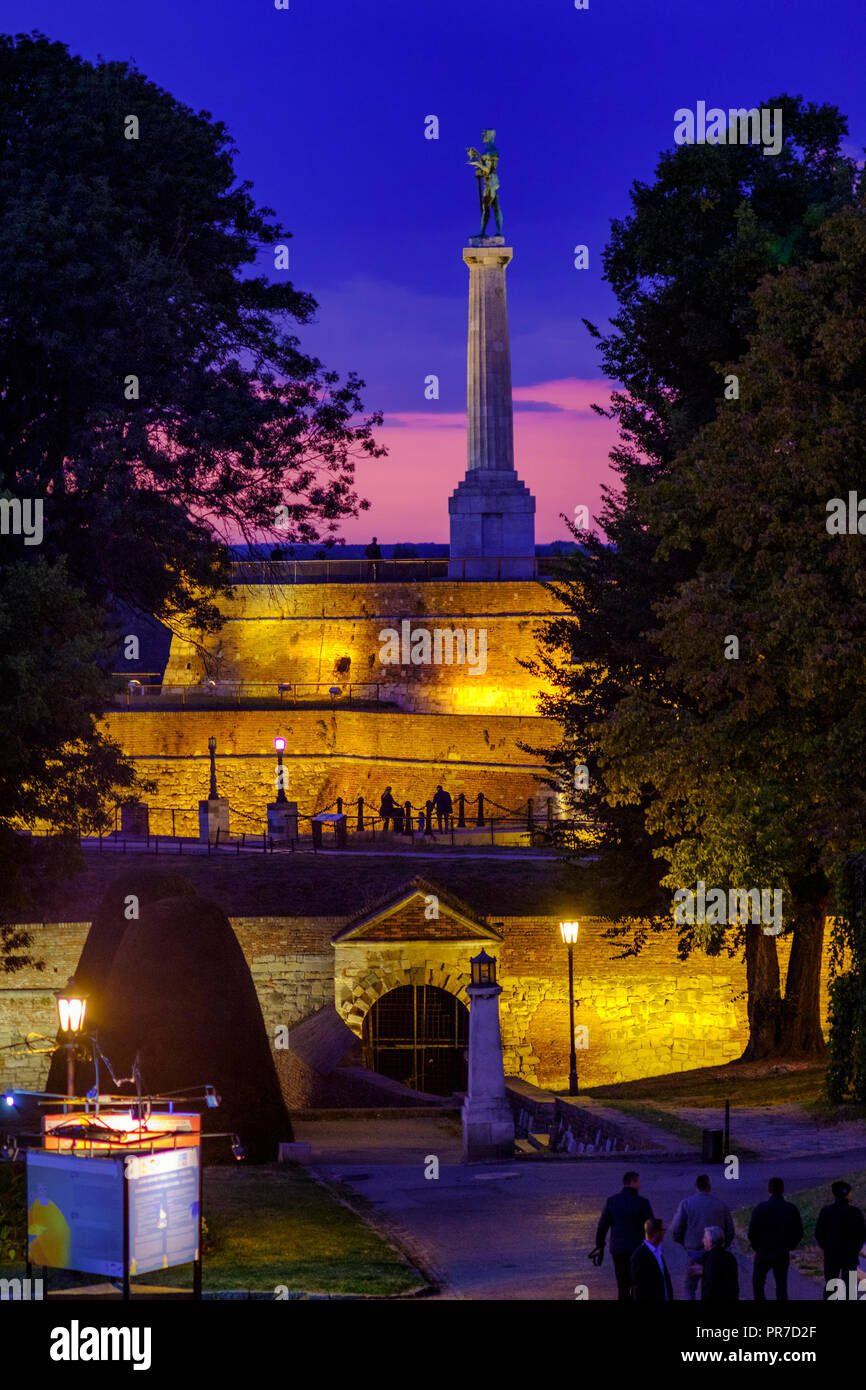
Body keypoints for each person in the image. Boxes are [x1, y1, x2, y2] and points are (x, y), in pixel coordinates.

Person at [670, 1174, 735, 1299]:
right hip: (715, 1255)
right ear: (709, 1186)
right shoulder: (721, 1205)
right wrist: (723, 1246)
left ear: (696, 1187)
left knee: (689, 1287)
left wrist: (684, 1243)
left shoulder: (686, 1204)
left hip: (694, 1252)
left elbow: (675, 1229)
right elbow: (730, 1231)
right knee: (714, 1286)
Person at [592, 1171, 654, 1301]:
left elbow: (603, 1225)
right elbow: (651, 1226)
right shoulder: (642, 1203)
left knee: (622, 1284)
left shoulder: (612, 1201)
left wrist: (599, 1245)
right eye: (638, 1182)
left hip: (618, 1248)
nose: (640, 1185)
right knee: (637, 1282)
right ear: (633, 1182)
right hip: (638, 1248)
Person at [747, 1177, 803, 1301]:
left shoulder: (760, 1209)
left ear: (769, 1190)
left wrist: (757, 1247)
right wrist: (790, 1246)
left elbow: (752, 1232)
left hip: (763, 1251)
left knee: (758, 1283)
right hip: (781, 1251)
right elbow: (798, 1232)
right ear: (782, 1190)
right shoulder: (790, 1209)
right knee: (781, 1285)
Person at [815, 1180, 866, 1299]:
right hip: (850, 1256)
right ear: (846, 1194)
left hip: (831, 1255)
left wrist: (825, 1248)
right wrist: (856, 1249)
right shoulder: (855, 1212)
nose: (852, 1195)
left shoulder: (826, 1211)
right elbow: (862, 1234)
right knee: (850, 1289)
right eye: (851, 1192)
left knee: (831, 1286)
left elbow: (819, 1233)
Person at [690, 1225, 739, 1302]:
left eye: (705, 1238)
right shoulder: (730, 1257)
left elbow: (712, 1285)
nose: (703, 1240)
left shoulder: (711, 1259)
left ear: (711, 1241)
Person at [631, 1218, 674, 1301]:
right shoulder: (639, 1256)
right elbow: (640, 1289)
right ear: (656, 1233)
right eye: (662, 1230)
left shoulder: (657, 1252)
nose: (664, 1233)